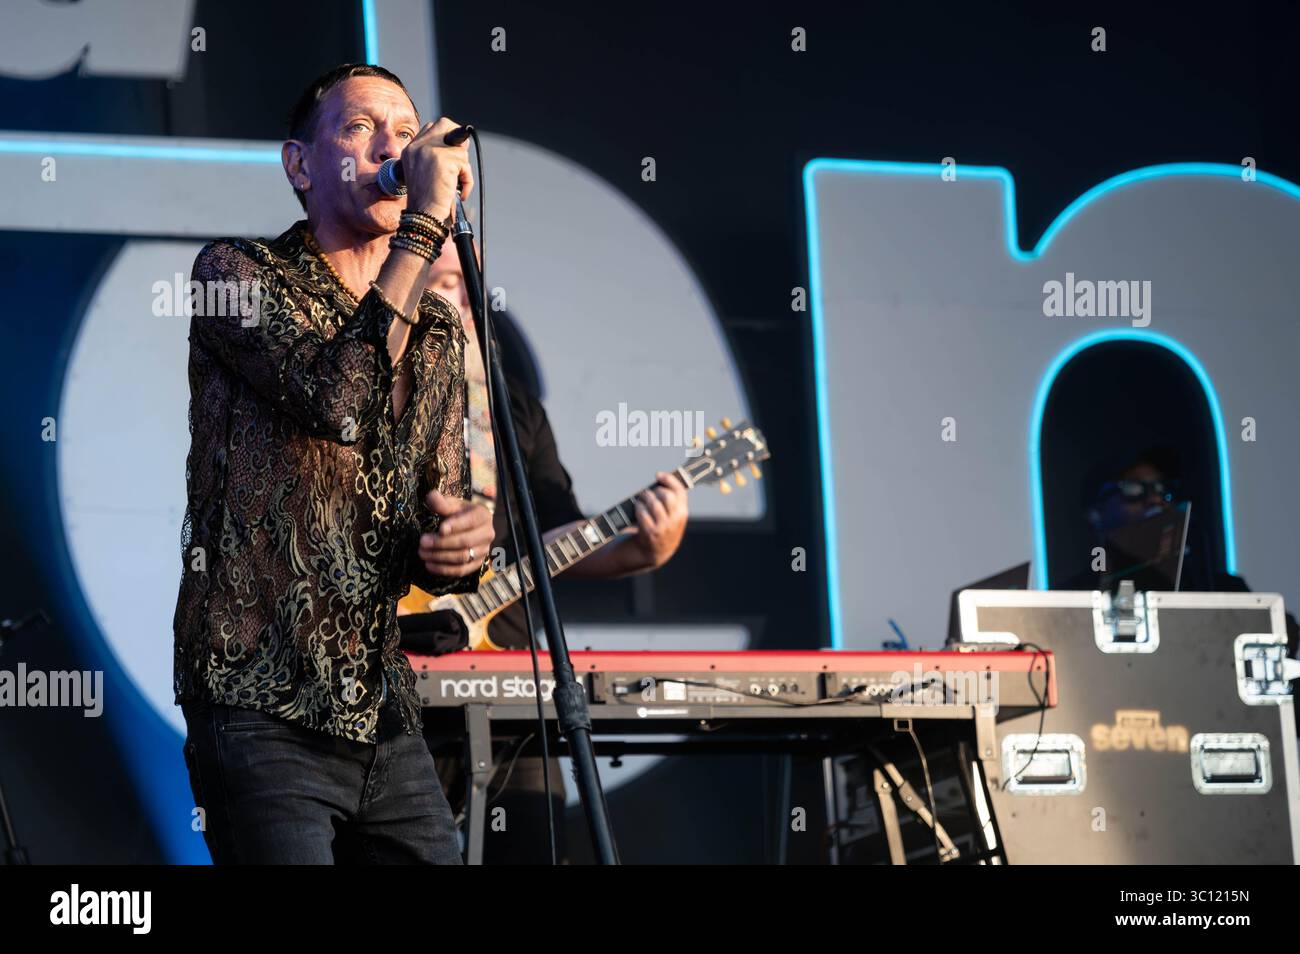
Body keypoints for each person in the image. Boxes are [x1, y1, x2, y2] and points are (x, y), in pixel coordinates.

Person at [172, 63, 496, 864]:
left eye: (405, 128)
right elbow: (339, 400)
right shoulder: (235, 275)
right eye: (360, 129)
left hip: (382, 710)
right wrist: (422, 228)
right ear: (301, 165)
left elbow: (435, 505)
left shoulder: (440, 330)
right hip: (257, 704)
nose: (393, 144)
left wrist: (462, 545)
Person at [415, 239, 690, 862]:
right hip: (394, 681)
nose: (449, 301)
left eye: (459, 286)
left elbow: (557, 534)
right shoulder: (364, 392)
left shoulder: (512, 407)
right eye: (430, 284)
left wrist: (640, 550)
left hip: (507, 679)